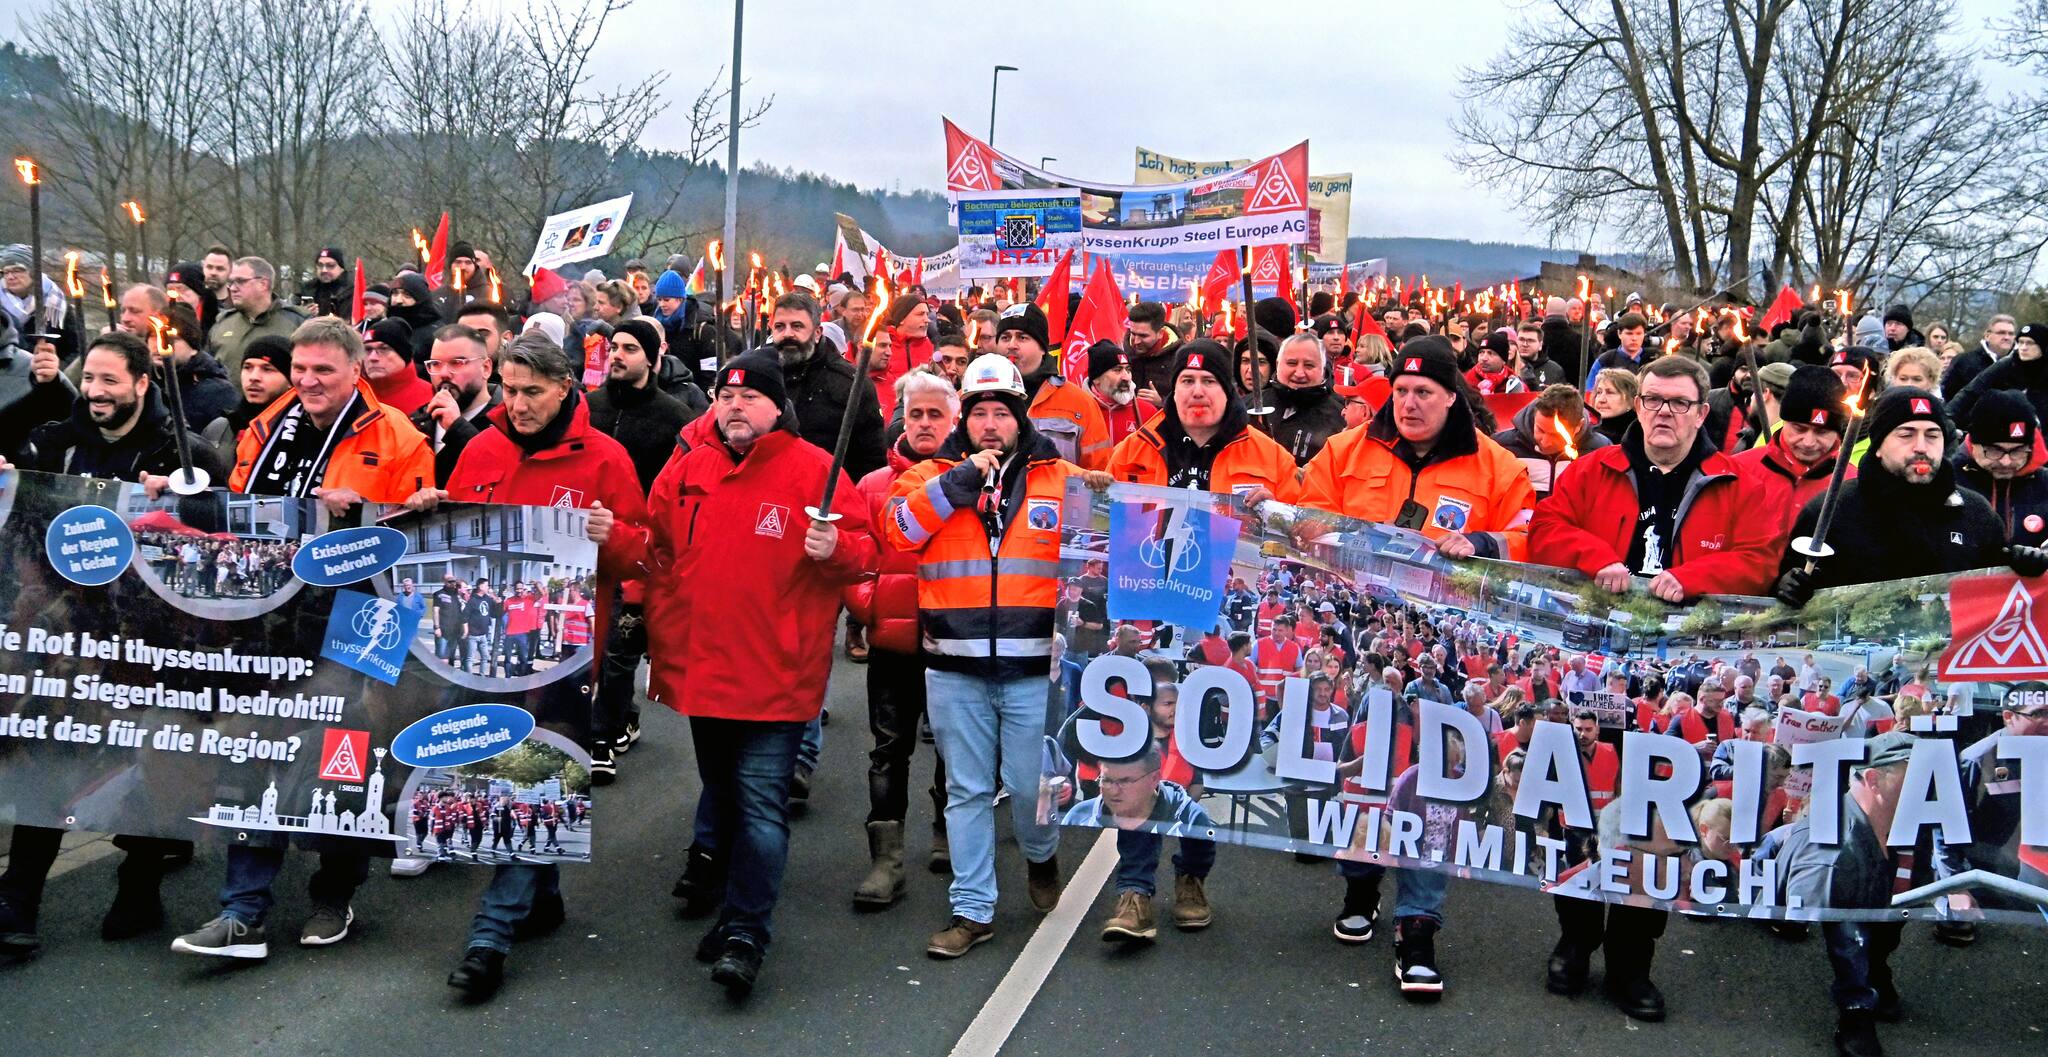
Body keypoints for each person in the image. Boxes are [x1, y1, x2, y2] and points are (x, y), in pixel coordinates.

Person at [173, 319, 434, 962]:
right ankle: (243, 910)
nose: (308, 382)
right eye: (301, 369)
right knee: (255, 744)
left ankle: (334, 892)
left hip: (362, 615)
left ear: (356, 371)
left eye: (323, 370)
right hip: (275, 618)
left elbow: (416, 536)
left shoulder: (397, 436)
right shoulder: (264, 428)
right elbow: (240, 515)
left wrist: (363, 513)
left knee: (343, 756)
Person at [632, 350, 877, 997]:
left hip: (777, 677)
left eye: (749, 396)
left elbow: (866, 554)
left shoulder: (815, 472)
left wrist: (839, 548)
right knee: (728, 798)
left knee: (763, 808)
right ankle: (736, 909)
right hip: (704, 672)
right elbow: (655, 547)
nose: (734, 405)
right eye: (725, 395)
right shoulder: (690, 468)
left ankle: (747, 932)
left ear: (777, 408)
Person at [416, 332, 647, 1000]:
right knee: (499, 775)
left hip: (562, 657)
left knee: (527, 776)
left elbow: (644, 559)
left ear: (566, 387)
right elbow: (452, 547)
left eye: (531, 393)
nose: (516, 404)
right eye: (510, 390)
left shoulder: (606, 459)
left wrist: (618, 537)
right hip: (484, 653)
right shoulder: (480, 449)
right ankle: (539, 890)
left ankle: (490, 934)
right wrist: (435, 512)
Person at [0, 331, 226, 957]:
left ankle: (141, 875)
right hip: (67, 633)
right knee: (46, 747)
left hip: (152, 641)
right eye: (89, 379)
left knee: (148, 748)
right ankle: (18, 896)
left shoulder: (181, 450)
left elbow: (216, 522)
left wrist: (184, 497)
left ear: (140, 384)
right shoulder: (58, 440)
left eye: (109, 381)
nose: (96, 392)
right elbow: (23, 516)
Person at [883, 353, 1104, 959]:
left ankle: (1040, 854)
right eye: (978, 412)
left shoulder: (1061, 478)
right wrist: (953, 487)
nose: (988, 424)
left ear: (1019, 417)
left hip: (1036, 666)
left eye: (999, 413)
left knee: (1030, 787)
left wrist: (1107, 495)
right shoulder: (930, 475)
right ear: (965, 418)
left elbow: (1103, 548)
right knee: (968, 790)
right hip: (954, 665)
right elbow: (899, 529)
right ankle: (972, 909)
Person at [846, 372, 960, 906]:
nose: (924, 424)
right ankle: (885, 861)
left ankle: (947, 832)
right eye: (916, 414)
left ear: (954, 421)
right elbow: (856, 560)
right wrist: (874, 611)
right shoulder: (872, 486)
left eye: (936, 415)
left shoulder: (971, 482)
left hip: (954, 642)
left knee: (956, 747)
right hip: (894, 644)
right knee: (889, 749)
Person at [1532, 356, 1779, 599]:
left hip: (1689, 630)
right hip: (1600, 616)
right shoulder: (1591, 470)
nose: (1664, 412)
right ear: (1638, 406)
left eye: (1680, 403)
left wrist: (1694, 578)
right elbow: (1544, 528)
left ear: (1701, 414)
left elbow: (1760, 562)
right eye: (1653, 400)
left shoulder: (1737, 484)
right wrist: (1594, 557)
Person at [1775, 388, 2048, 606]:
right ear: (1879, 445)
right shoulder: (1830, 511)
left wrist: (2019, 565)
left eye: (1932, 435)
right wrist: (1789, 587)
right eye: (1906, 434)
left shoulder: (1975, 514)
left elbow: (1994, 602)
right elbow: (1787, 601)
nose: (1921, 447)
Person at [1298, 336, 1535, 560]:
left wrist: (1481, 544)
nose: (1409, 404)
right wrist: (1361, 535)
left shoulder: (1501, 469)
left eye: (1423, 392)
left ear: (1451, 397)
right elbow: (1307, 519)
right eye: (1401, 391)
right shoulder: (1341, 452)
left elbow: (1527, 540)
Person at [1772, 731, 1922, 1057]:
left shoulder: (1900, 815)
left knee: (1894, 908)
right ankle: (1856, 1010)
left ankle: (1876, 969)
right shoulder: (1836, 848)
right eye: (1913, 774)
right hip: (1800, 892)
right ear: (1873, 779)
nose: (1925, 785)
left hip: (1876, 874)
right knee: (1848, 928)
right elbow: (1843, 932)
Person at [1106, 339, 1300, 501]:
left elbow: (1300, 534)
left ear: (1227, 391)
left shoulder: (1271, 457)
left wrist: (1276, 513)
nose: (1197, 392)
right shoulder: (1131, 453)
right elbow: (1104, 525)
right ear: (1174, 391)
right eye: (1187, 381)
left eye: (1209, 381)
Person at [766, 292, 887, 481]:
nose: (788, 334)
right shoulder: (760, 375)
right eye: (780, 327)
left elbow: (872, 459)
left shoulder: (851, 383)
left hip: (825, 495)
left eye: (797, 326)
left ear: (817, 333)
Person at [1730, 366, 1850, 549]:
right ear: (1784, 422)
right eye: (1799, 429)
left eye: (1822, 432)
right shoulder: (1739, 469)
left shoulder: (1851, 480)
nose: (1809, 442)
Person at [993, 302, 1113, 470]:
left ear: (1043, 348)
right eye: (1005, 337)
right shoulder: (976, 396)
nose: (1012, 344)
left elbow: (1098, 473)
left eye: (1022, 337)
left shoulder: (1079, 402)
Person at [410, 324, 502, 486]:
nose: (444, 374)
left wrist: (457, 428)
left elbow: (503, 473)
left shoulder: (510, 420)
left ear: (486, 368)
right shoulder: (417, 422)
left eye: (457, 363)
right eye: (436, 364)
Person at [1954, 390, 2048, 546]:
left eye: (2017, 451)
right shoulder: (1949, 482)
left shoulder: (2044, 485)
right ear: (1973, 444)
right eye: (1995, 450)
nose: (2006, 461)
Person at [1490, 383, 1610, 499]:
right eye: (1540, 430)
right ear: (1534, 415)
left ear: (1579, 426)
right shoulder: (1502, 446)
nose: (1546, 442)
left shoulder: (1599, 452)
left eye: (1556, 435)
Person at [1256, 332, 1350, 464]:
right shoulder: (1251, 406)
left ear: (1322, 369)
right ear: (1278, 364)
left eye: (1309, 365)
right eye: (1292, 363)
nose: (1299, 373)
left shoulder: (1342, 416)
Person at [207, 256, 308, 379]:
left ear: (263, 284)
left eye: (240, 281)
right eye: (231, 282)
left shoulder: (298, 323)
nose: (233, 288)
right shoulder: (223, 323)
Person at [201, 334, 293, 465]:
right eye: (248, 367)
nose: (254, 377)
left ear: (290, 379)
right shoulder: (220, 429)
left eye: (267, 369)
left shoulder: (299, 430)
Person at [1951, 323, 2048, 437]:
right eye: (2020, 342)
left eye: (2030, 343)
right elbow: (1971, 391)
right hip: (2004, 432)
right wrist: (1946, 419)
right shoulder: (2008, 363)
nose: (2023, 347)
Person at [1082, 340, 1157, 446]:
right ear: (1096, 378)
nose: (1126, 377)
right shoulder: (1079, 411)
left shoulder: (1147, 412)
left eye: (1128, 370)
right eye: (1117, 370)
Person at [362, 318, 432, 415]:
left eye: (384, 349)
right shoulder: (350, 396)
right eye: (367, 350)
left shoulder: (430, 398)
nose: (372, 358)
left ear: (404, 354)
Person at [1941, 314, 2015, 399]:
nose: (2007, 337)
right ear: (1987, 336)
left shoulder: (2021, 364)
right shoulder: (1964, 361)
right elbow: (1948, 393)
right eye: (2001, 333)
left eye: (2011, 334)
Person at [1124, 300, 1179, 401]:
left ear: (1160, 333)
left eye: (1143, 336)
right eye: (1133, 334)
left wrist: (1162, 402)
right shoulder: (1122, 353)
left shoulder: (1180, 358)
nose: (1136, 341)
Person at [1587, 367, 1639, 444]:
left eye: (1610, 393)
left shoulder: (1640, 436)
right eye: (1599, 392)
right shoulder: (1586, 435)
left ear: (1632, 400)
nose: (1601, 400)